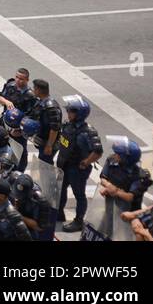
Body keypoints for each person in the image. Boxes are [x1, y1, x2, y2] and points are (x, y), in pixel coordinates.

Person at [55, 95, 103, 233]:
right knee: (61, 190)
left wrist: (86, 162)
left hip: (77, 168)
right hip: (64, 165)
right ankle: (59, 213)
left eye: (71, 111)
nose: (68, 113)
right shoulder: (67, 125)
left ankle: (78, 221)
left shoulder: (88, 131)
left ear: (79, 114)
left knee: (79, 195)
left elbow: (98, 151)